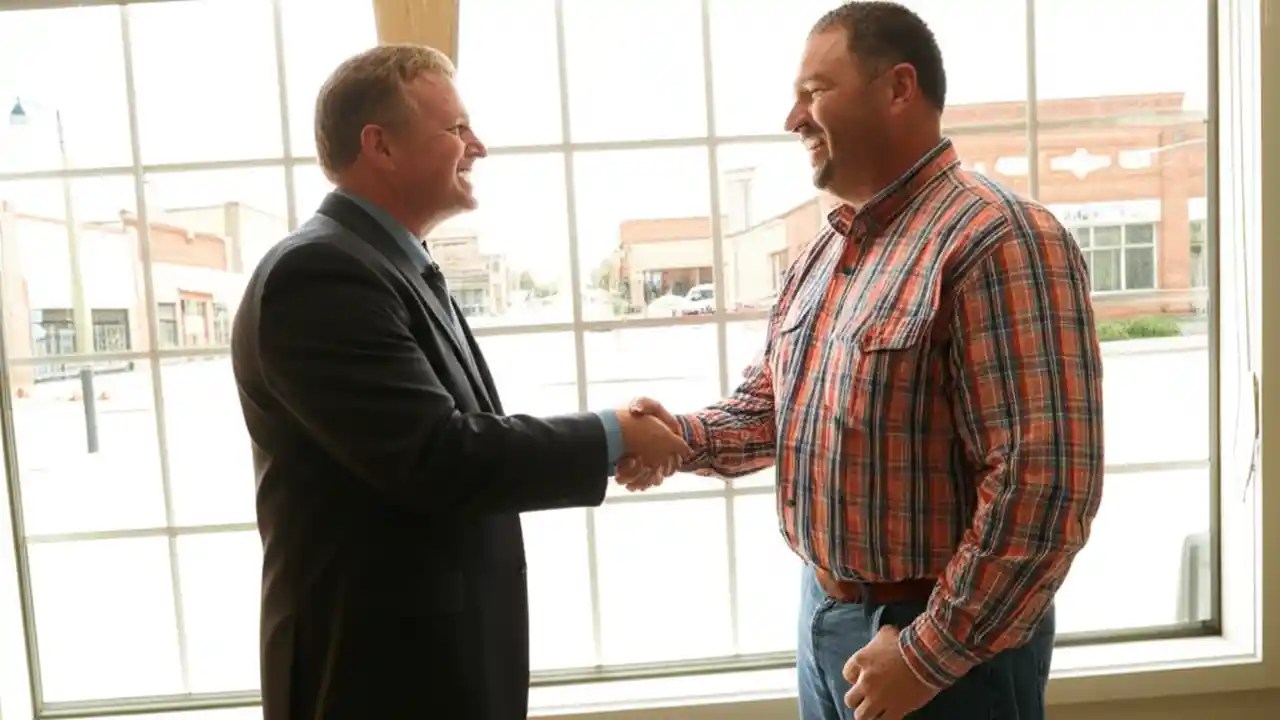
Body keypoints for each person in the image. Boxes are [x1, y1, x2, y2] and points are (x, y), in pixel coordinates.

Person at [619, 3, 1105, 719]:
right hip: (825, 619)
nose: (793, 118)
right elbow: (773, 408)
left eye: (814, 91)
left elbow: (1045, 488)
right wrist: (680, 437)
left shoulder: (999, 238)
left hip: (941, 652)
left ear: (898, 88)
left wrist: (926, 653)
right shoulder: (827, 251)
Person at [230, 44, 689, 720]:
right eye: (457, 129)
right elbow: (438, 456)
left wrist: (617, 436)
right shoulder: (321, 276)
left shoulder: (389, 262)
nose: (479, 146)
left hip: (427, 659)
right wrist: (612, 436)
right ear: (380, 145)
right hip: (375, 675)